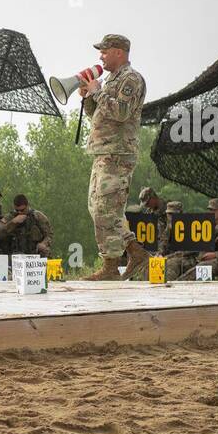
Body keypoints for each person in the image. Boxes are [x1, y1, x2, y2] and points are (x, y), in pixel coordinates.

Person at [80, 34, 148, 280]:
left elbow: (120, 112)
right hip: (104, 152)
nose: (101, 56)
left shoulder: (131, 79)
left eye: (105, 51)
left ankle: (110, 267)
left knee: (105, 208)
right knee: (98, 207)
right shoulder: (109, 80)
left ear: (119, 52)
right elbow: (97, 115)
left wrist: (97, 92)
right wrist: (88, 96)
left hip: (118, 152)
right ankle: (134, 251)